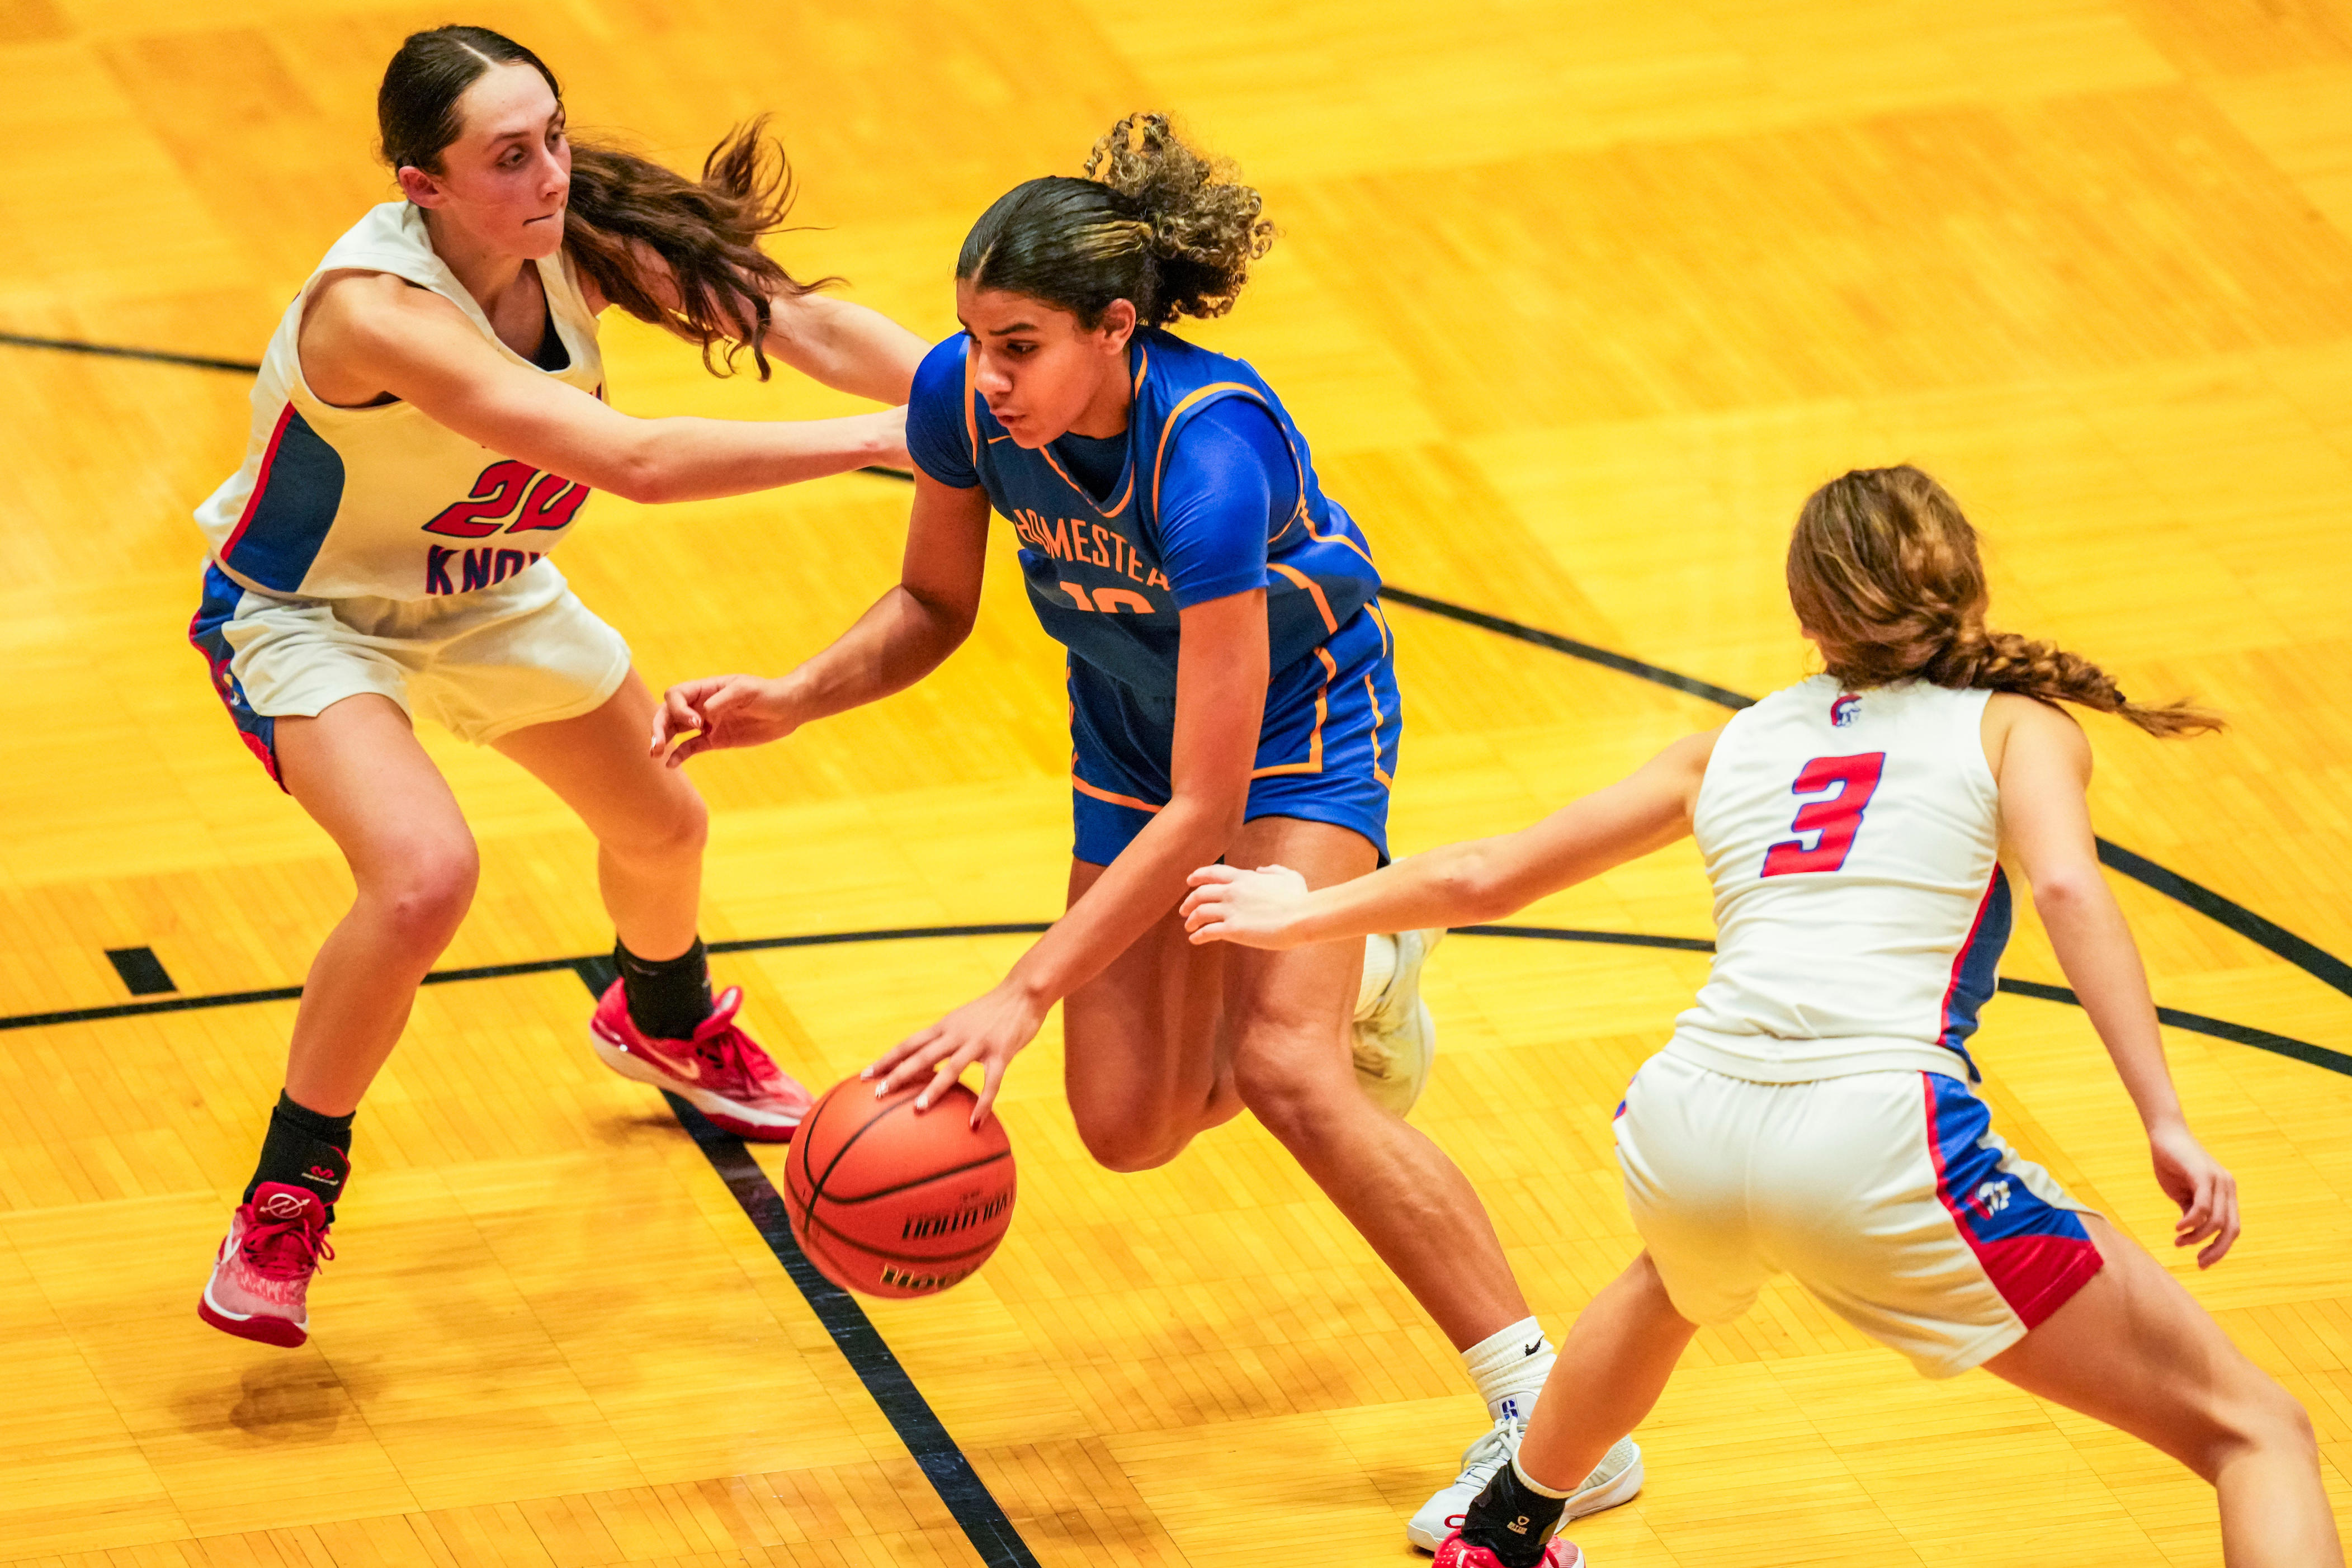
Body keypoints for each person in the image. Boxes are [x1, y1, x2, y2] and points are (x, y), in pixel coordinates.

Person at [651, 114, 1642, 1544]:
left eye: (1020, 345)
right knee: (1129, 1126)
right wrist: (793, 698)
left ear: (1117, 328)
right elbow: (935, 609)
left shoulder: (1209, 455)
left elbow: (1210, 805)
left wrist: (1022, 989)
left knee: (1287, 1067)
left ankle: (1548, 1417)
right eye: (971, 340)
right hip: (1131, 729)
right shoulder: (964, 404)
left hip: (1292, 738)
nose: (985, 379)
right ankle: (1365, 964)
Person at [1183, 465, 2344, 1568]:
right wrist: (2166, 1117)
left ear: (1807, 615)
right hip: (1878, 1135)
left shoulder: (1730, 744)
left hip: (1688, 1124)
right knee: (2258, 1431)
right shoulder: (2017, 727)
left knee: (1676, 1276)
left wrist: (1305, 913)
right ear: (1969, 585)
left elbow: (1489, 873)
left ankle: (1505, 1525)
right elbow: (2070, 889)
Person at [188, 24, 928, 1349]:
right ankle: (287, 1190)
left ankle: (665, 1022)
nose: (550, 175)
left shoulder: (570, 235)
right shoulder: (376, 310)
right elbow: (635, 461)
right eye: (509, 157)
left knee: (665, 826)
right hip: (311, 617)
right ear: (424, 185)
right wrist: (901, 439)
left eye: (557, 138)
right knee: (423, 876)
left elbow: (798, 320)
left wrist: (971, 387)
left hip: (490, 589)